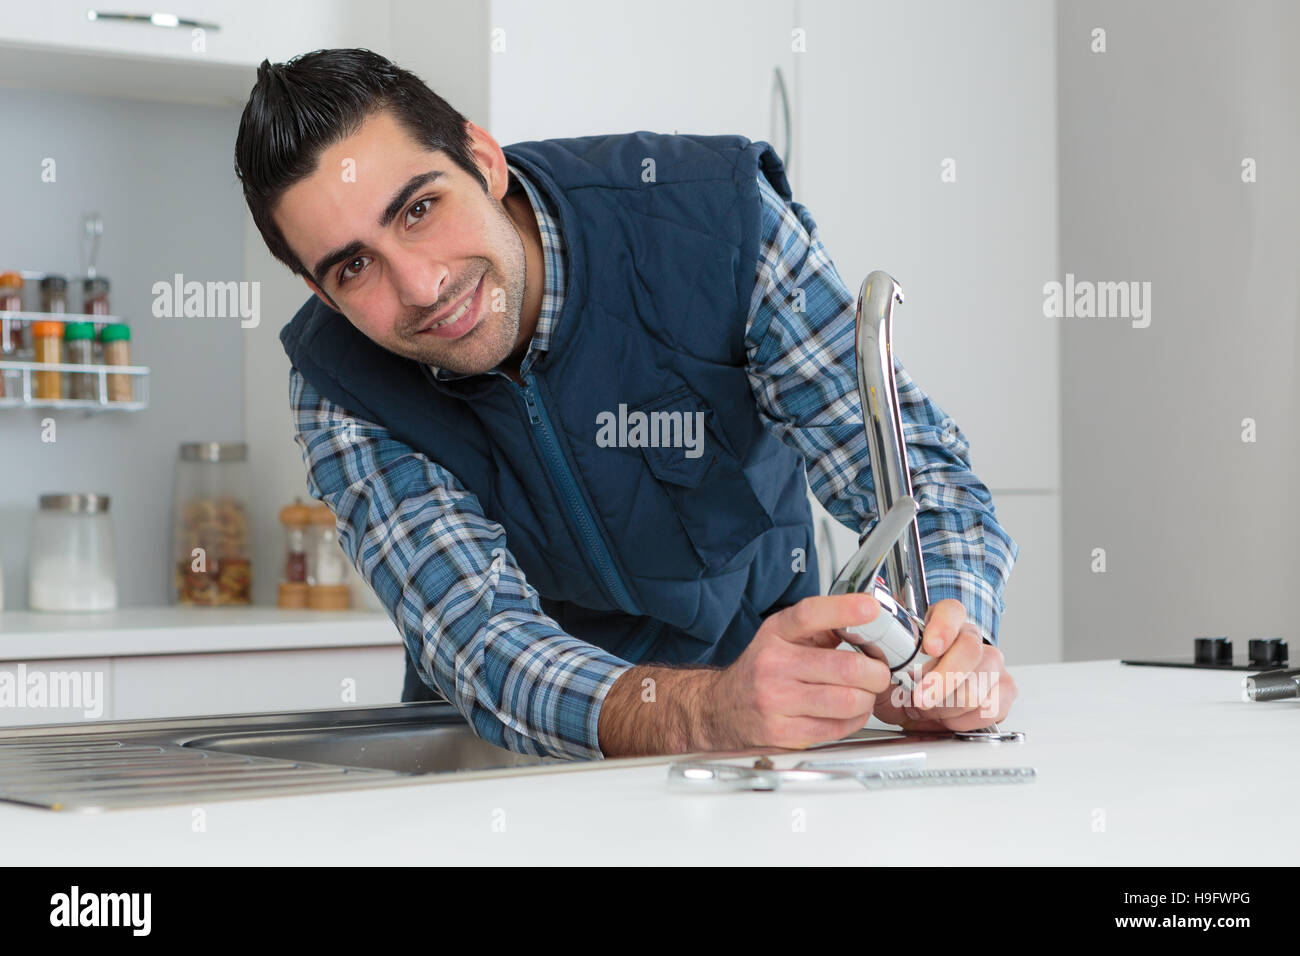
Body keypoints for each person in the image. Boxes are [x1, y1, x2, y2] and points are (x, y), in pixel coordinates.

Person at [234, 48, 1020, 760]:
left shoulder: (718, 225)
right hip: (512, 760)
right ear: (318, 291)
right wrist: (699, 714)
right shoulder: (339, 384)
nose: (420, 285)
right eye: (353, 268)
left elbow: (922, 487)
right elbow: (483, 641)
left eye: (418, 209)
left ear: (481, 159)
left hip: (769, 743)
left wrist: (952, 635)